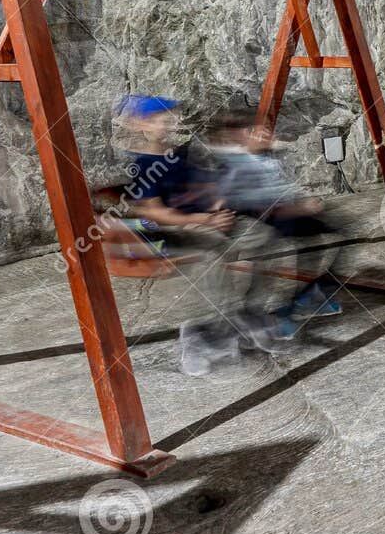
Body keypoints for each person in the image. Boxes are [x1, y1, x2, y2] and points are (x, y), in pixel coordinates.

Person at [114, 96, 288, 376]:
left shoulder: (178, 153)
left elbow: (202, 186)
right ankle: (200, 333)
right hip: (173, 230)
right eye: (159, 118)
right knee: (211, 254)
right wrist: (203, 219)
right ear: (140, 124)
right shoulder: (143, 164)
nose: (167, 123)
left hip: (206, 220)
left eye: (169, 117)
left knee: (264, 236)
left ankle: (249, 310)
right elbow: (155, 213)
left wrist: (217, 203)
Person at [207, 107, 342, 329]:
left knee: (326, 238)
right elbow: (263, 206)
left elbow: (281, 189)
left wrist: (303, 201)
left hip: (275, 212)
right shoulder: (240, 164)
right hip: (262, 218)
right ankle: (267, 314)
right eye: (256, 131)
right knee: (268, 257)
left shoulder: (266, 158)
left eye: (267, 130)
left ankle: (306, 296)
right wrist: (301, 208)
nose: (265, 134)